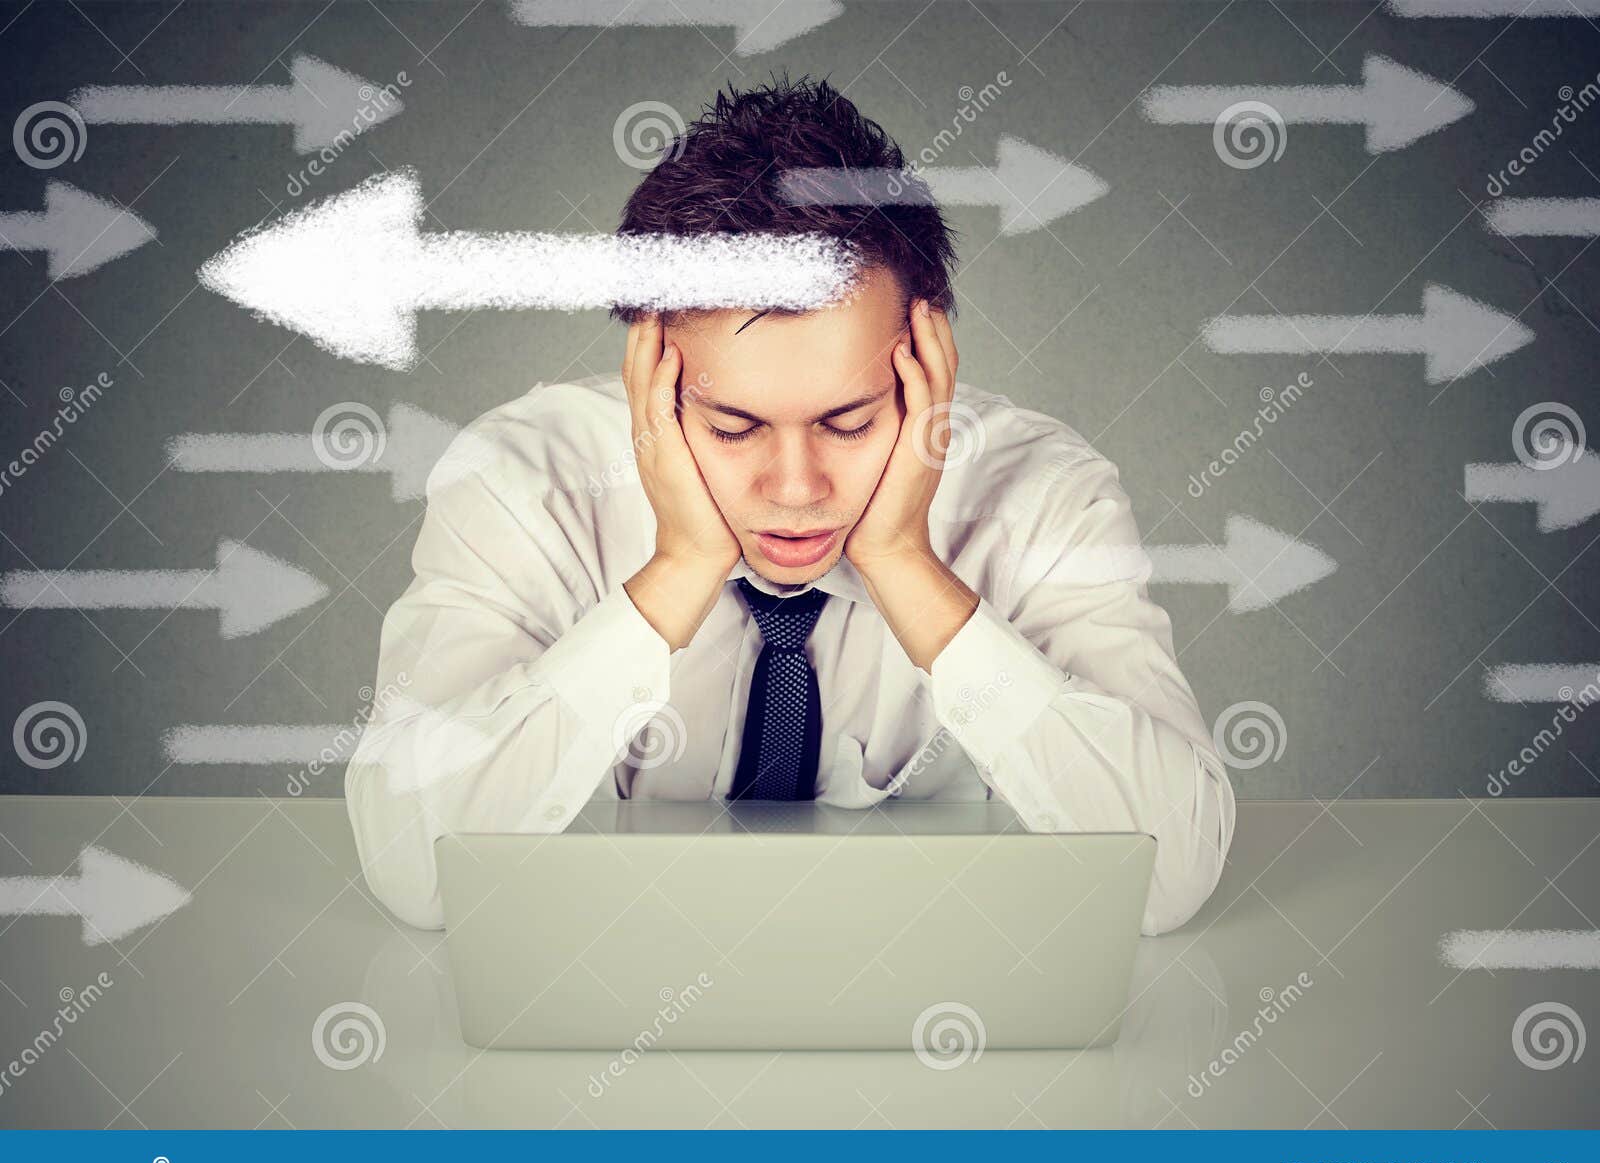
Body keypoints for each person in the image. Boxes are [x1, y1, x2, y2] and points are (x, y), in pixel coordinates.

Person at [345, 74, 1235, 936]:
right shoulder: (524, 483)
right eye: (733, 428)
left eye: (849, 423)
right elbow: (413, 871)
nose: (797, 489)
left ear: (926, 361)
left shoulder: (1043, 495)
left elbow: (1170, 878)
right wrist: (678, 572)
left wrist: (906, 567)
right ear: (650, 374)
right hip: (621, 981)